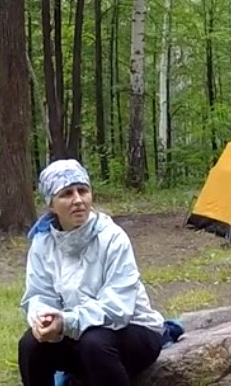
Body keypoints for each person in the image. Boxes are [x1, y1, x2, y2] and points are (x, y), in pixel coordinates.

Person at [18, 159, 165, 386]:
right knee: (30, 344)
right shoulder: (42, 242)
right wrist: (43, 319)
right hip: (77, 332)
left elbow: (118, 307)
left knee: (94, 343)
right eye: (67, 194)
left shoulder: (112, 238)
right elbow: (39, 294)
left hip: (134, 330)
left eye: (83, 191)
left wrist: (66, 322)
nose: (78, 200)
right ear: (51, 205)